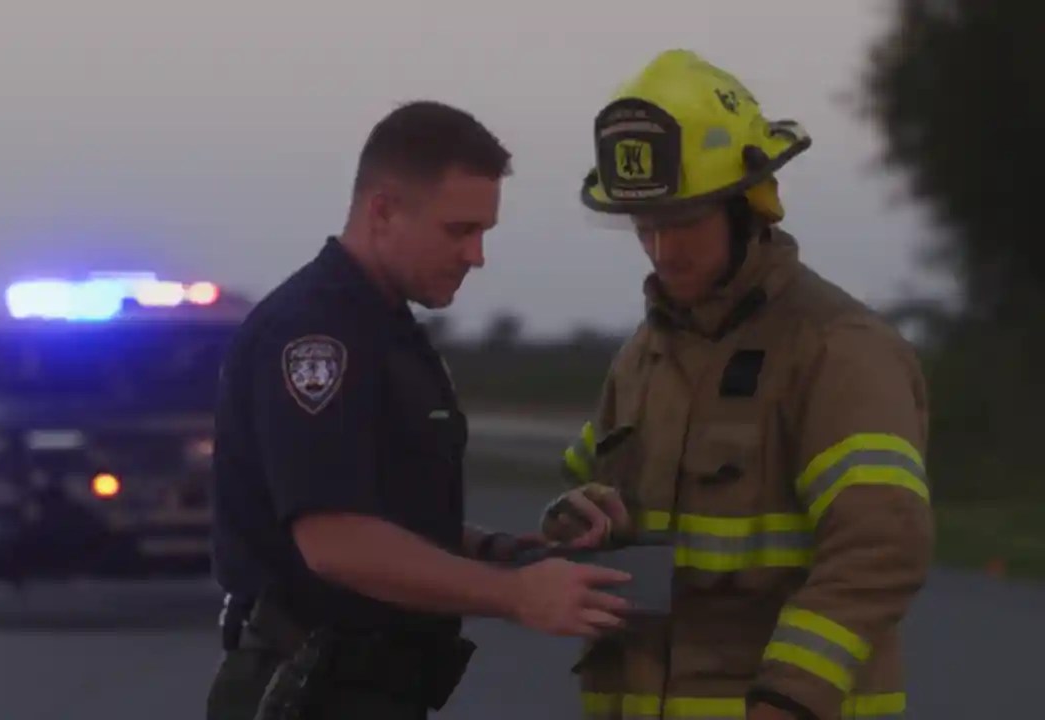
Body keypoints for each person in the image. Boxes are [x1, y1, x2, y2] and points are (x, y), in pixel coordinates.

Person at [539, 50, 934, 720]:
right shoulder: (641, 360)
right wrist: (571, 519)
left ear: (751, 205)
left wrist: (788, 699)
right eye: (646, 224)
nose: (663, 250)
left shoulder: (838, 349)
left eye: (684, 220)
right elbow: (583, 503)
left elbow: (881, 543)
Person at [206, 100, 633, 720]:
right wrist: (515, 595)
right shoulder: (317, 335)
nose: (475, 255)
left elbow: (377, 509)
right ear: (382, 211)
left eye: (484, 232)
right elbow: (336, 540)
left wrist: (500, 550)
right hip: (306, 694)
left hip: (359, 691)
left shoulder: (385, 333)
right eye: (458, 230)